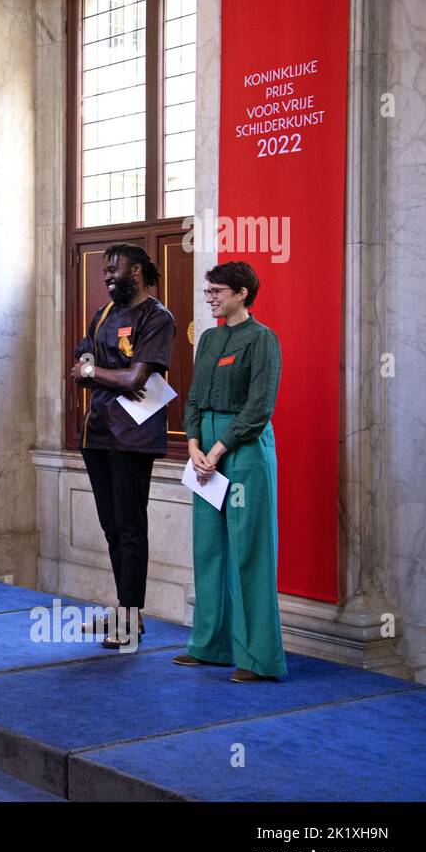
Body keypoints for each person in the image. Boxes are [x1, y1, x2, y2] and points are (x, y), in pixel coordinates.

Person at [176, 261, 286, 683]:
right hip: (204, 450)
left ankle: (258, 658)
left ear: (242, 293)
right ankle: (210, 645)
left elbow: (260, 407)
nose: (210, 298)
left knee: (249, 552)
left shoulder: (263, 340)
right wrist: (192, 444)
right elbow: (193, 398)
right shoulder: (207, 338)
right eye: (208, 292)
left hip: (243, 452)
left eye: (217, 291)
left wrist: (218, 450)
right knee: (208, 548)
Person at [69, 243, 176, 648]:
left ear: (137, 271)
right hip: (97, 433)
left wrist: (93, 371)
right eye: (104, 272)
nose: (108, 277)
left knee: (130, 527)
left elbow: (137, 380)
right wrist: (90, 364)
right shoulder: (105, 314)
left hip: (134, 437)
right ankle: (125, 608)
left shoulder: (158, 317)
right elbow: (83, 353)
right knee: (111, 526)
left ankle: (131, 618)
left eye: (115, 270)